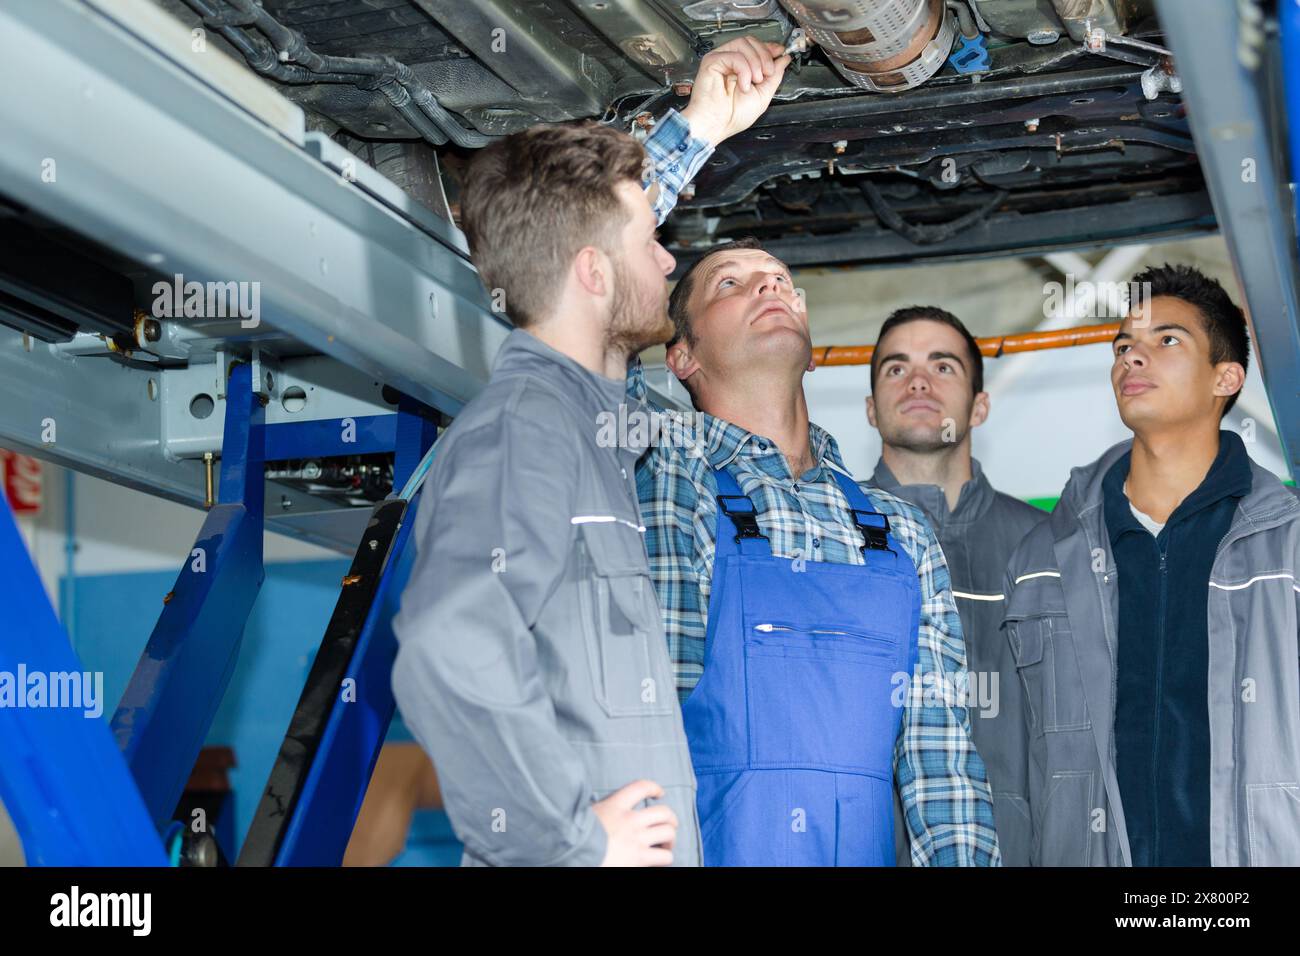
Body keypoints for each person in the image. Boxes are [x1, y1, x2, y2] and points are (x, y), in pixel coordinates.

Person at [390, 38, 789, 867]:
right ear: (595, 275)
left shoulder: (587, 425)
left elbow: (598, 237)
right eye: (653, 241)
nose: (671, 255)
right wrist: (565, 840)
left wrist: (703, 127)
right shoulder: (525, 428)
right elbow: (447, 643)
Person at [627, 237, 1000, 866]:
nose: (769, 287)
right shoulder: (669, 482)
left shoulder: (902, 532)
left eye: (780, 279)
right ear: (682, 357)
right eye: (730, 283)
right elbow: (645, 732)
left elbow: (942, 770)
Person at [1000, 263, 1300, 866]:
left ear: (1227, 377)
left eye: (1166, 340)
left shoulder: (1288, 547)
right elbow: (1014, 763)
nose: (1132, 360)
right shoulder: (1041, 558)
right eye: (1123, 347)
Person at [864, 306, 1044, 864]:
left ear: (980, 405)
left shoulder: (1043, 545)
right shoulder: (826, 537)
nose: (918, 380)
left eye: (943, 367)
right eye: (896, 368)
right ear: (870, 409)